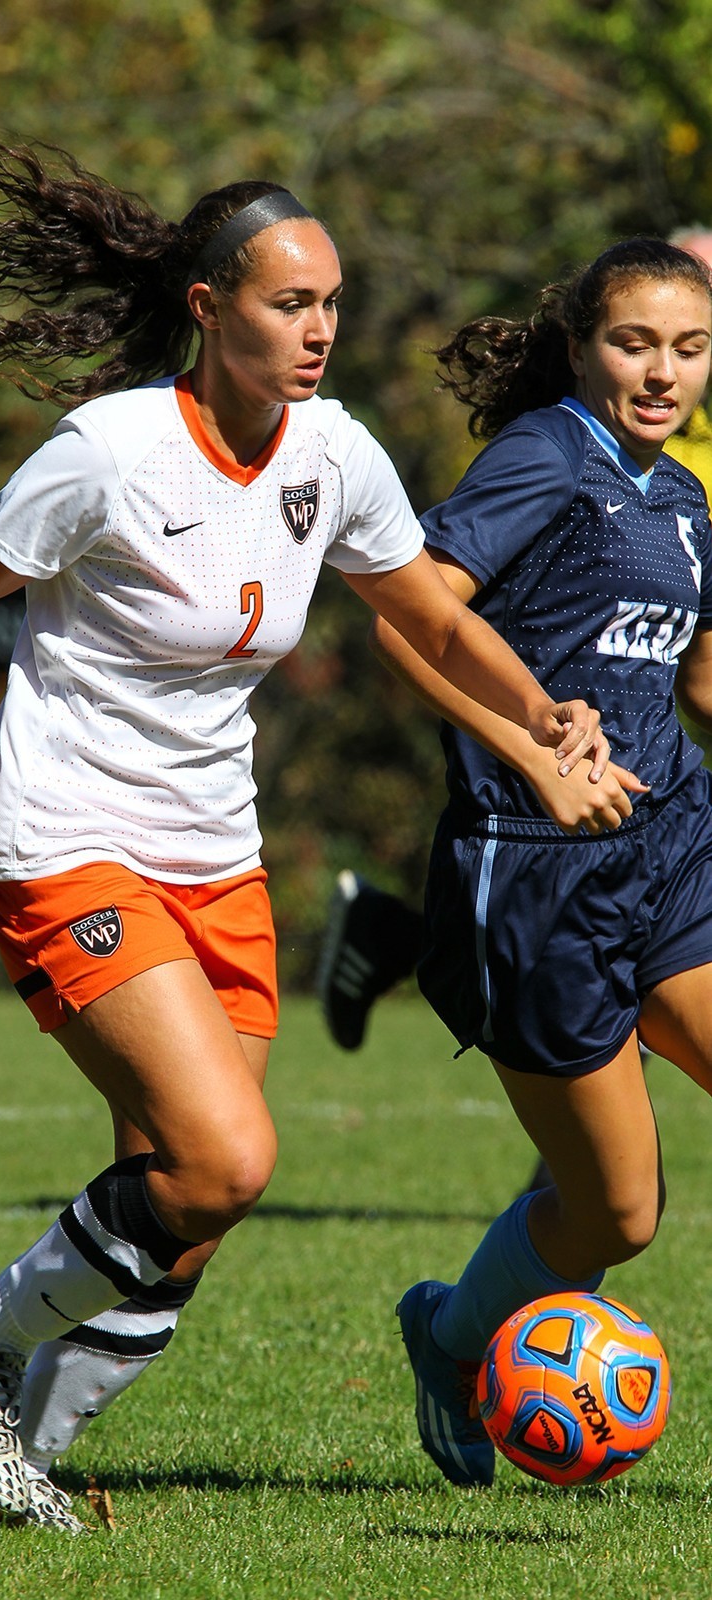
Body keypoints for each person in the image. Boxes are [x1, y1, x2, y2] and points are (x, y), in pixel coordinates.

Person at [0, 130, 614, 1530]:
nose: (317, 332)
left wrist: (546, 721)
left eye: (329, 306)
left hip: (212, 858)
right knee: (226, 1156)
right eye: (287, 304)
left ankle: (13, 1475)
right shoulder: (107, 451)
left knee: (184, 1203)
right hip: (65, 839)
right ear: (208, 309)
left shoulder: (330, 452)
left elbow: (427, 612)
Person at [360, 236, 712, 1487]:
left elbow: (697, 682)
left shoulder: (679, 499)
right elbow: (409, 613)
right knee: (616, 1215)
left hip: (670, 842)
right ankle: (451, 1341)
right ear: (578, 347)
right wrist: (528, 751)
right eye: (632, 343)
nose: (660, 372)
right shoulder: (546, 455)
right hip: (531, 878)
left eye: (687, 347)